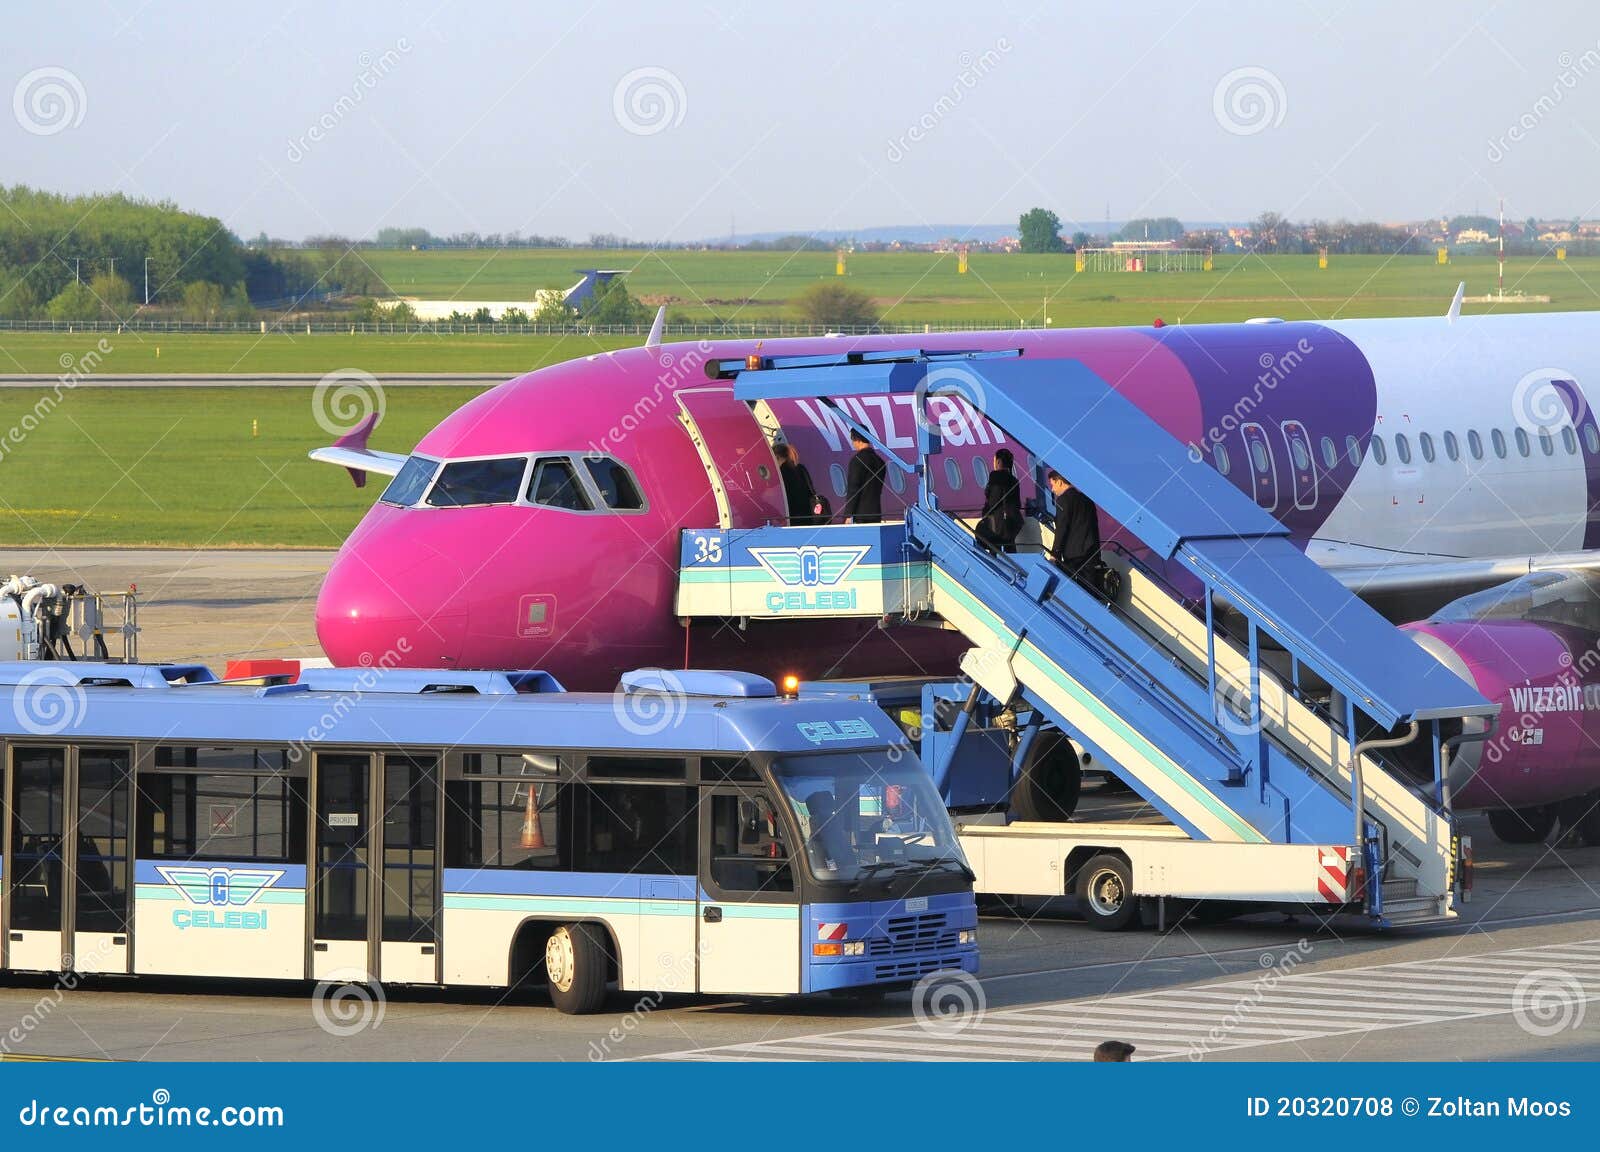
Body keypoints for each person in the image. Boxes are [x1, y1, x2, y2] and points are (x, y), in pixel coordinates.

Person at [1047, 469, 1101, 579]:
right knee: (1091, 588)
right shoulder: (1087, 500)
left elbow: (1062, 528)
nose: (1052, 489)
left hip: (1074, 556)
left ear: (1059, 482)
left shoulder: (1063, 500)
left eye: (1052, 485)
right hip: (1092, 552)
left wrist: (1054, 554)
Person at [973, 448, 1023, 555]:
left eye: (994, 460)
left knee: (988, 541)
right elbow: (1017, 503)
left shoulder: (995, 477)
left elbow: (993, 501)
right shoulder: (1014, 480)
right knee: (1010, 551)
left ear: (999, 462)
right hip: (1011, 526)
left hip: (997, 526)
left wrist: (985, 514)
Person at [841, 429, 886, 524]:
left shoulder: (857, 461)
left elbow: (853, 489)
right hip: (876, 512)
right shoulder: (880, 461)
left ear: (857, 440)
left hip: (860, 515)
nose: (853, 444)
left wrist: (848, 514)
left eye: (852, 440)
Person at [773, 441, 821, 525]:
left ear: (777, 457)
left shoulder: (782, 473)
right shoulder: (801, 468)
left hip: (793, 515)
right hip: (808, 513)